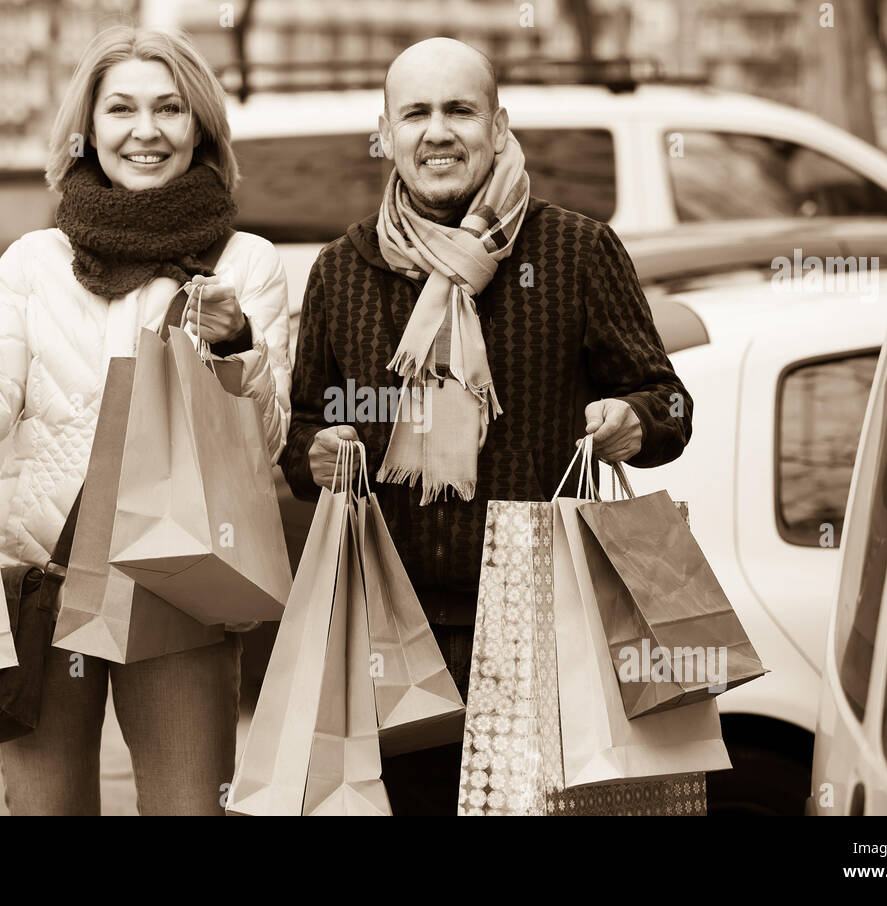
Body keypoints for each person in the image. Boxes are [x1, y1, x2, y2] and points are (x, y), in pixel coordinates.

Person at [0, 26, 291, 815]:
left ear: (200, 126)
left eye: (169, 108)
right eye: (120, 108)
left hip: (180, 592)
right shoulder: (34, 261)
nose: (146, 130)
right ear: (87, 129)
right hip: (39, 587)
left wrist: (236, 348)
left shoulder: (246, 262)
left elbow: (265, 443)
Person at [279, 37, 693, 815]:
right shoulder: (342, 269)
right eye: (417, 114)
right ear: (387, 134)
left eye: (459, 110)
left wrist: (631, 419)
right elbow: (305, 428)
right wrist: (317, 451)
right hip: (396, 637)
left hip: (549, 627)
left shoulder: (575, 251)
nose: (438, 131)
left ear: (498, 127)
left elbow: (667, 402)